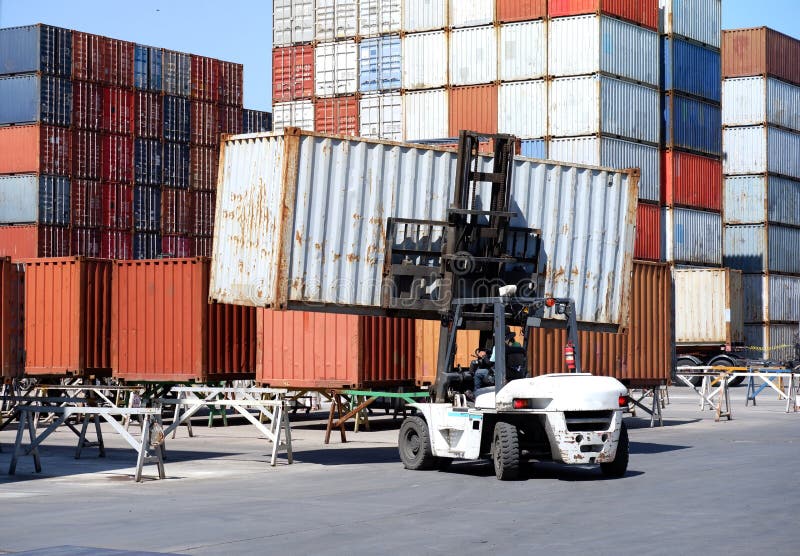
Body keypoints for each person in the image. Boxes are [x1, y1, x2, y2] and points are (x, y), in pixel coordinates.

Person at [473, 329, 521, 394]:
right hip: (515, 374)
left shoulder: (498, 347)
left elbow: (490, 363)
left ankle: (476, 394)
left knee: (478, 373)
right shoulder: (518, 345)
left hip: (500, 375)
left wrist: (484, 356)